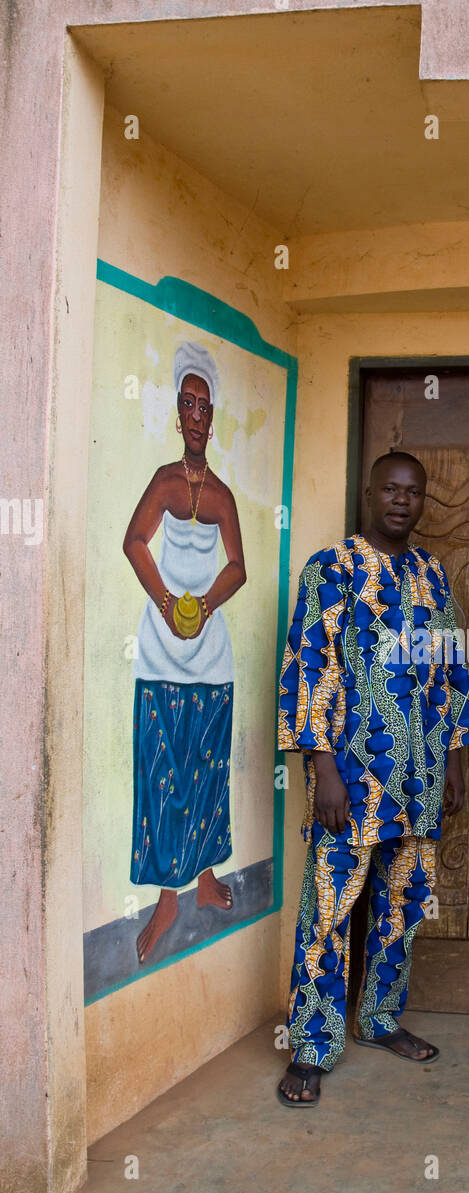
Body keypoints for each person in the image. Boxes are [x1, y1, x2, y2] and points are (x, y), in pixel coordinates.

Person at [276, 451, 469, 1105]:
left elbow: (450, 675)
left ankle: (380, 1019)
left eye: (413, 491)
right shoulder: (330, 570)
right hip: (352, 782)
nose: (401, 500)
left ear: (424, 501)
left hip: (418, 780)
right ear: (370, 493)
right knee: (329, 910)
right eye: (390, 488)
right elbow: (310, 667)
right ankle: (310, 1047)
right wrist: (323, 768)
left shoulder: (432, 577)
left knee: (403, 905)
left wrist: (452, 761)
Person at [123, 342, 246, 965]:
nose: (197, 414)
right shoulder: (165, 483)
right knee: (163, 767)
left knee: (206, 767)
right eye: (187, 404)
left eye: (205, 405)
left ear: (212, 418)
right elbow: (134, 541)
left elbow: (238, 568)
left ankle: (203, 877)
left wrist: (206, 607)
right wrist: (171, 604)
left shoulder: (221, 494)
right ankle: (168, 893)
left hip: (211, 657)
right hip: (160, 654)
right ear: (177, 415)